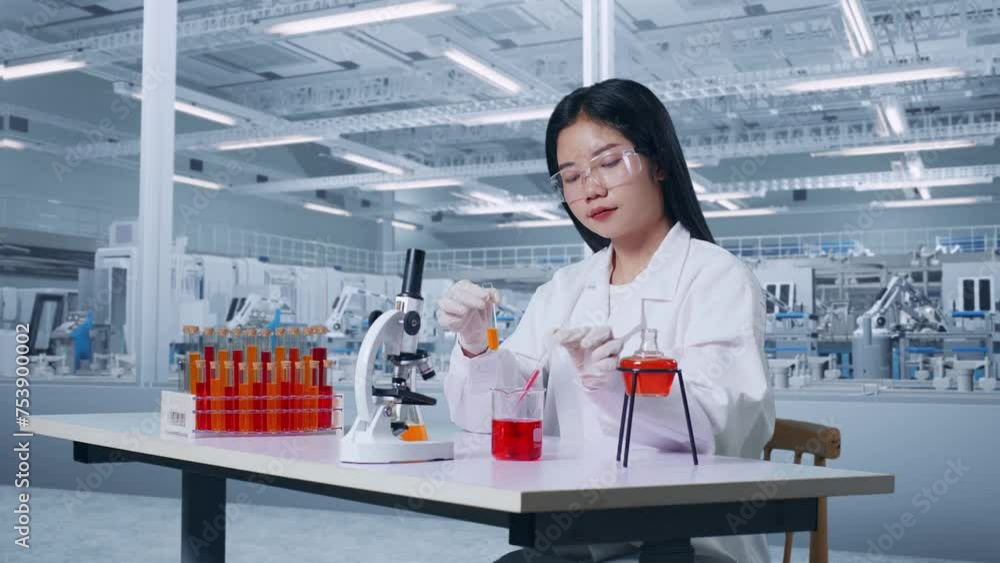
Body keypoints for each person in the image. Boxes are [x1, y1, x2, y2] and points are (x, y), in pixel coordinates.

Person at [438, 79, 775, 563]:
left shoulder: (716, 276)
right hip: (579, 540)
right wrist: (476, 347)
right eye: (571, 177)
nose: (591, 188)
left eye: (610, 162)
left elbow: (720, 427)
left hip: (690, 543)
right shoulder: (565, 288)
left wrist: (620, 386)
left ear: (658, 162)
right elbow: (496, 415)